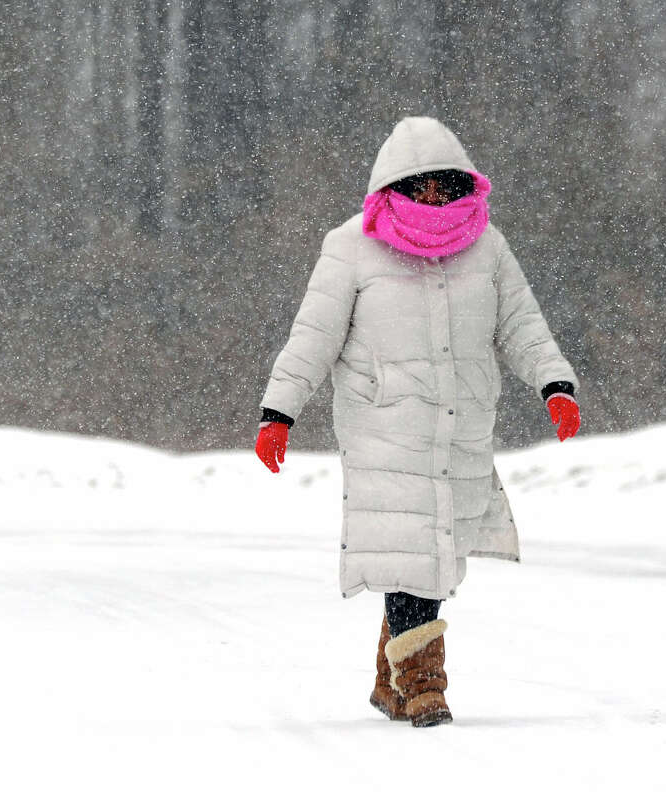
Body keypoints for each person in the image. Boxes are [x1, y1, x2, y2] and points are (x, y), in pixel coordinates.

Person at [254, 117, 581, 727]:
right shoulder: (350, 246)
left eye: (444, 184)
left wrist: (554, 382)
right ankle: (426, 685)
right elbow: (313, 336)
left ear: (464, 184)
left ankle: (390, 679)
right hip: (385, 426)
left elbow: (521, 325)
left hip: (462, 423)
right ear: (393, 186)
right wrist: (280, 411)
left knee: (432, 552)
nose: (434, 197)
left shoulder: (488, 247)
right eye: (420, 185)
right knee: (414, 553)